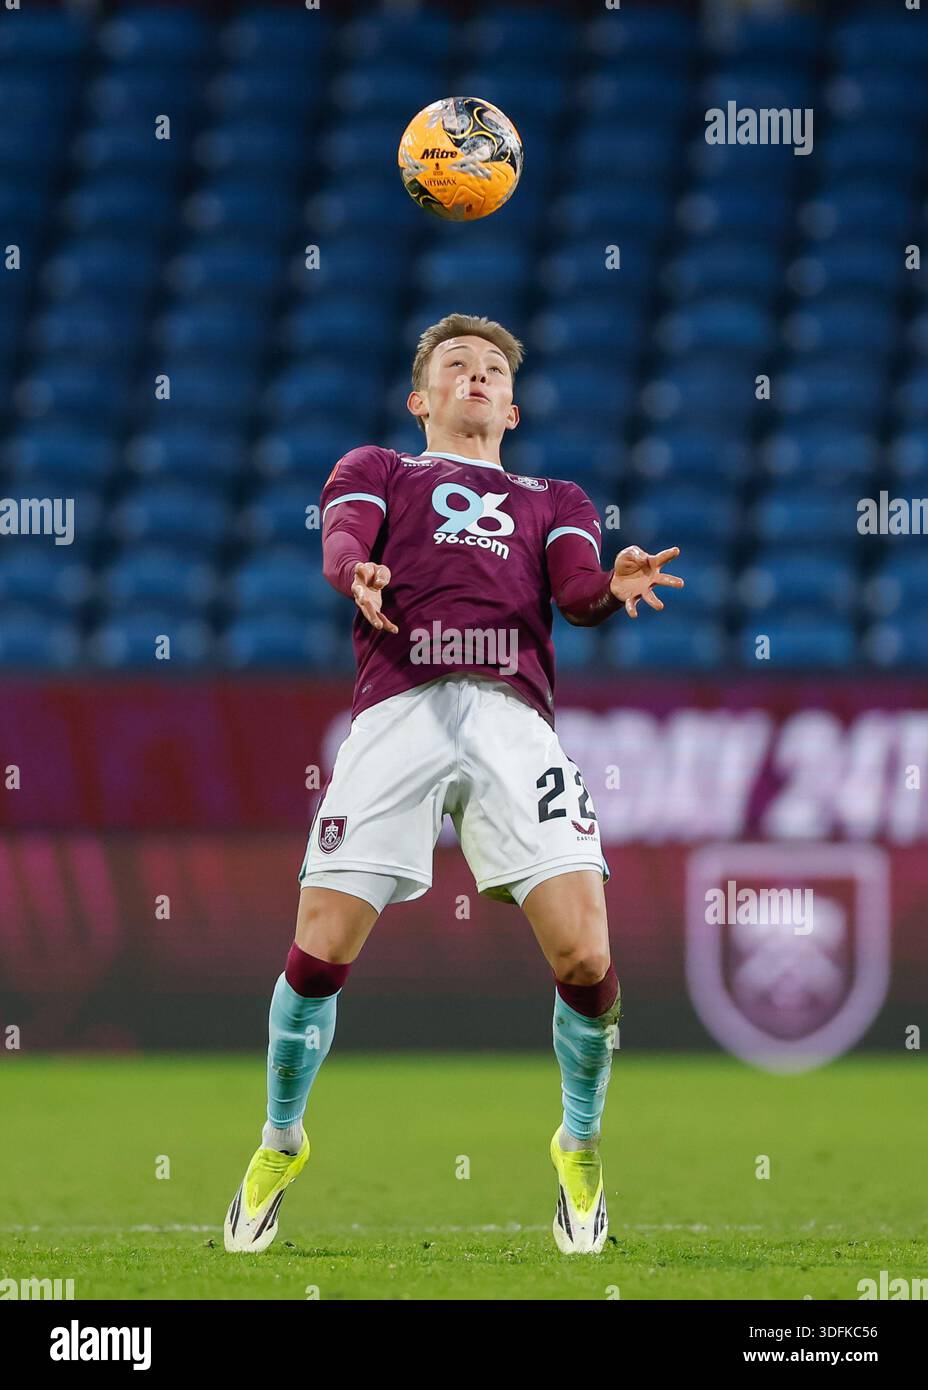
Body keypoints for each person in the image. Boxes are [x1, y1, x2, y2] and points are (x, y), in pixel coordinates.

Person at [224, 314, 683, 1255]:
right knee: (318, 951)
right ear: (419, 398)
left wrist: (615, 580)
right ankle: (280, 1141)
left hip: (515, 723)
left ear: (511, 405)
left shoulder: (555, 496)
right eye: (454, 366)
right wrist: (358, 572)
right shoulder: (379, 469)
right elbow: (341, 538)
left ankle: (580, 1146)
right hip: (399, 711)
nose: (473, 377)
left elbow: (579, 591)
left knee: (587, 959)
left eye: (490, 370)